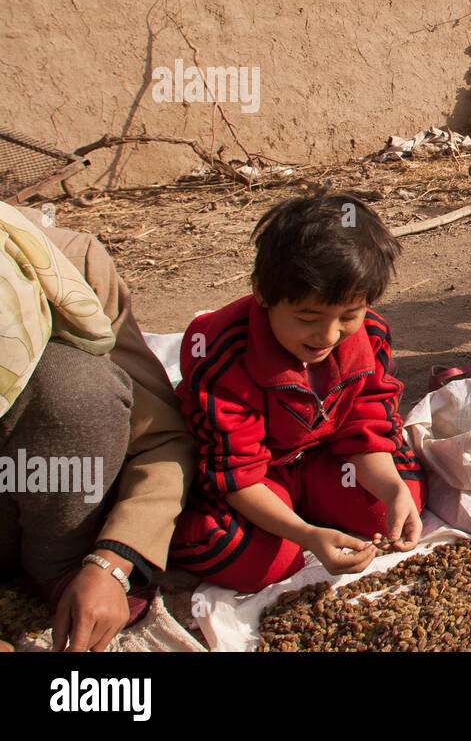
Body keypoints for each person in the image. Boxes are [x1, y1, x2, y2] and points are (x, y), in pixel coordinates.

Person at [168, 193, 426, 593]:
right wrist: (306, 534)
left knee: (395, 506)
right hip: (258, 475)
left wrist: (391, 490)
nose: (328, 335)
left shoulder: (370, 337)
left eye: (348, 316)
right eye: (307, 317)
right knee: (260, 561)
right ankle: (192, 527)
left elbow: (366, 427)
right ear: (263, 293)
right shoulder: (221, 352)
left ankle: (303, 509)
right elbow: (239, 473)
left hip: (322, 458)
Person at [1, 202, 194, 652]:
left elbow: (161, 439)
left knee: (76, 386)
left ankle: (59, 568)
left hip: (32, 500)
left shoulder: (68, 265)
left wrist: (113, 562)